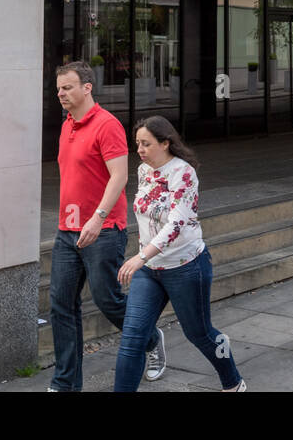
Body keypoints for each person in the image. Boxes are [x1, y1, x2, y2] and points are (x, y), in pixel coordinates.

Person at [49, 61, 163, 392]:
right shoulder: (67, 125)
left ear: (87, 87)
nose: (61, 94)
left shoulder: (106, 124)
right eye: (58, 89)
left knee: (108, 300)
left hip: (104, 229)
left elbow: (119, 176)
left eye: (67, 87)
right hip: (67, 230)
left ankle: (151, 339)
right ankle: (65, 383)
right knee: (61, 306)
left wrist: (98, 217)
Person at [114, 115, 245, 392]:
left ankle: (233, 382)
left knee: (200, 334)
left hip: (186, 266)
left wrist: (141, 257)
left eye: (146, 144)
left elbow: (176, 224)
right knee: (132, 340)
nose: (139, 150)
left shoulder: (183, 173)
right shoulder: (143, 170)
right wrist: (144, 257)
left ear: (165, 143)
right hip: (149, 270)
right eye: (137, 143)